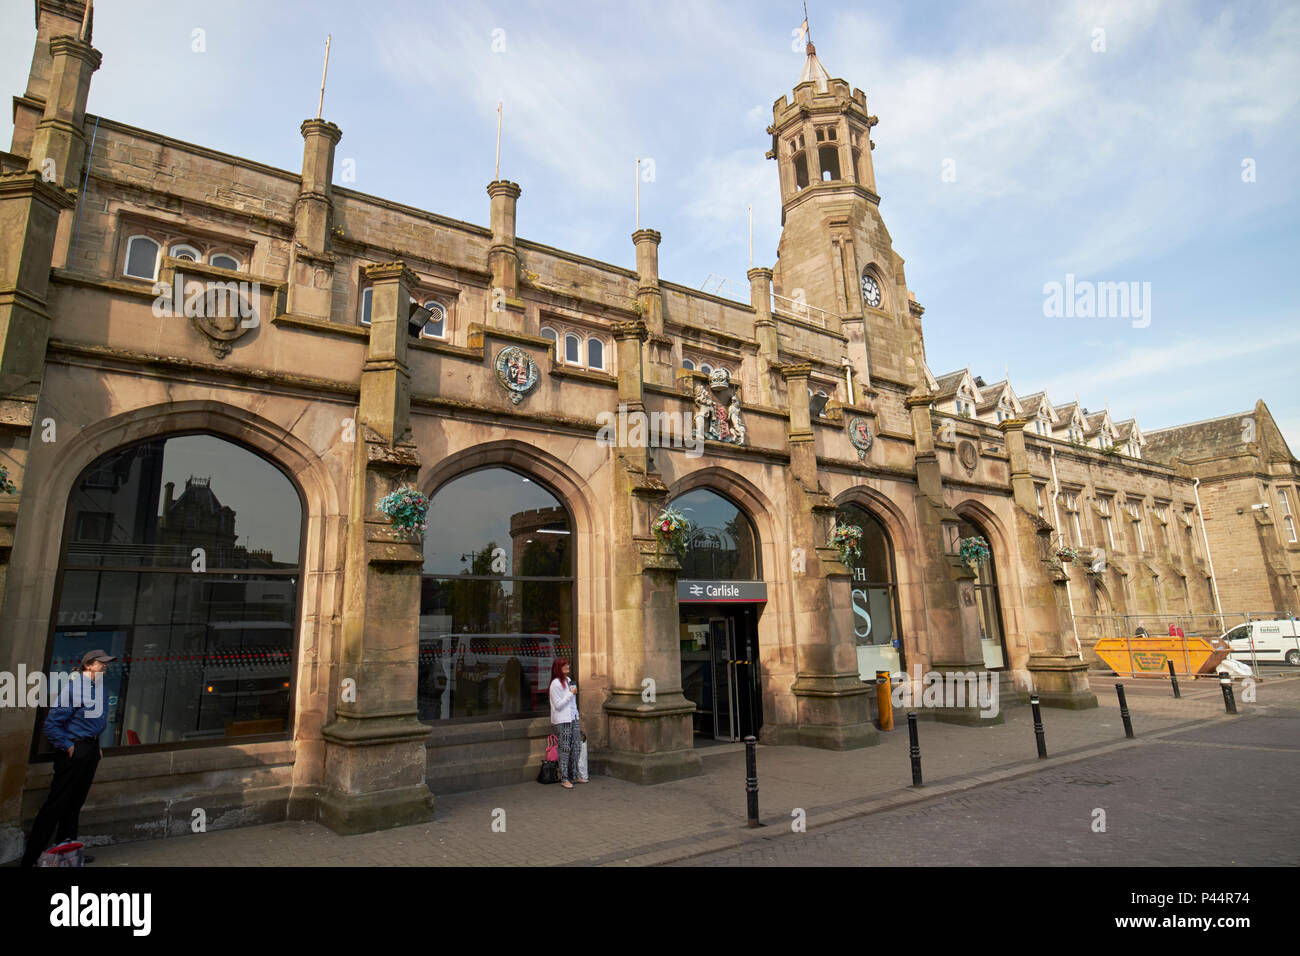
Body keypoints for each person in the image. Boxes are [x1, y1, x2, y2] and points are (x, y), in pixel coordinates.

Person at [22, 649, 115, 867]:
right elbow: (51, 726)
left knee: (75, 803)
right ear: (89, 665)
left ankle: (69, 852)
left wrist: (96, 746)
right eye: (102, 663)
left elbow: (94, 720)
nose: (106, 667)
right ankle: (31, 857)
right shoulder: (74, 689)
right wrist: (69, 747)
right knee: (56, 804)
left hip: (90, 749)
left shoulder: (98, 688)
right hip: (75, 751)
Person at [547, 658, 586, 788]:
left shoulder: (568, 681)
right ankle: (564, 778)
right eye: (565, 665)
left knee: (577, 746)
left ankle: (574, 775)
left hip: (573, 718)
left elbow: (572, 703)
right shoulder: (555, 684)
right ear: (559, 668)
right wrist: (570, 693)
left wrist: (577, 715)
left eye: (568, 664)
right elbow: (558, 705)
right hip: (562, 720)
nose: (568, 666)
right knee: (564, 749)